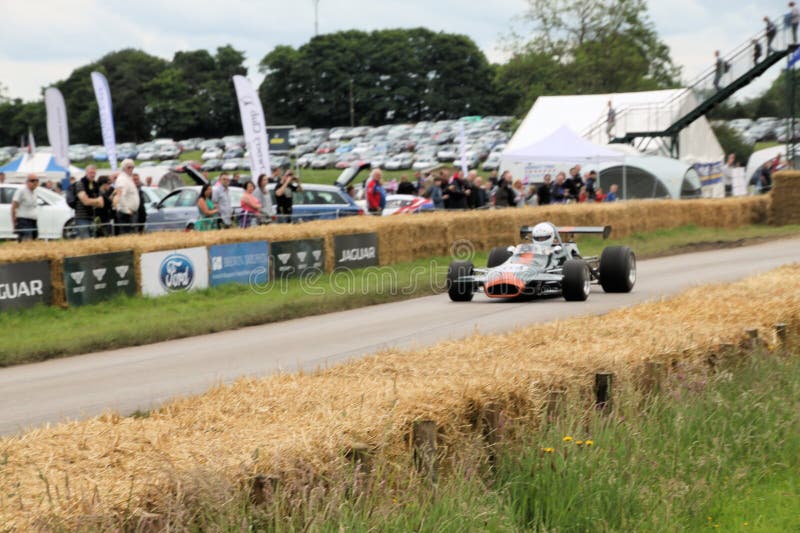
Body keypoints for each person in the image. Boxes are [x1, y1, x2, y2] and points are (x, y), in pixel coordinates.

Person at [74, 165, 104, 239]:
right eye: (91, 172)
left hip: (93, 217)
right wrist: (96, 201)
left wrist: (92, 201)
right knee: (85, 240)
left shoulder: (95, 185)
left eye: (94, 173)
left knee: (93, 241)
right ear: (86, 173)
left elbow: (102, 204)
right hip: (82, 217)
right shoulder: (80, 183)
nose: (93, 175)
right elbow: (85, 202)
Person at [113, 159, 140, 235]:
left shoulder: (127, 178)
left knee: (132, 236)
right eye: (129, 167)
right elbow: (120, 196)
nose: (131, 169)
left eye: (132, 167)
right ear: (123, 168)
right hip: (126, 214)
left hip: (130, 213)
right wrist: (126, 210)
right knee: (128, 236)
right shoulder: (122, 179)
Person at [11, 173, 39, 242]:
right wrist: (14, 223)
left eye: (36, 180)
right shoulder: (21, 191)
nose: (35, 182)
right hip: (23, 220)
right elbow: (13, 207)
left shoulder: (35, 192)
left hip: (33, 221)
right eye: (32, 180)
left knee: (34, 238)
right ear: (27, 182)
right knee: (27, 239)